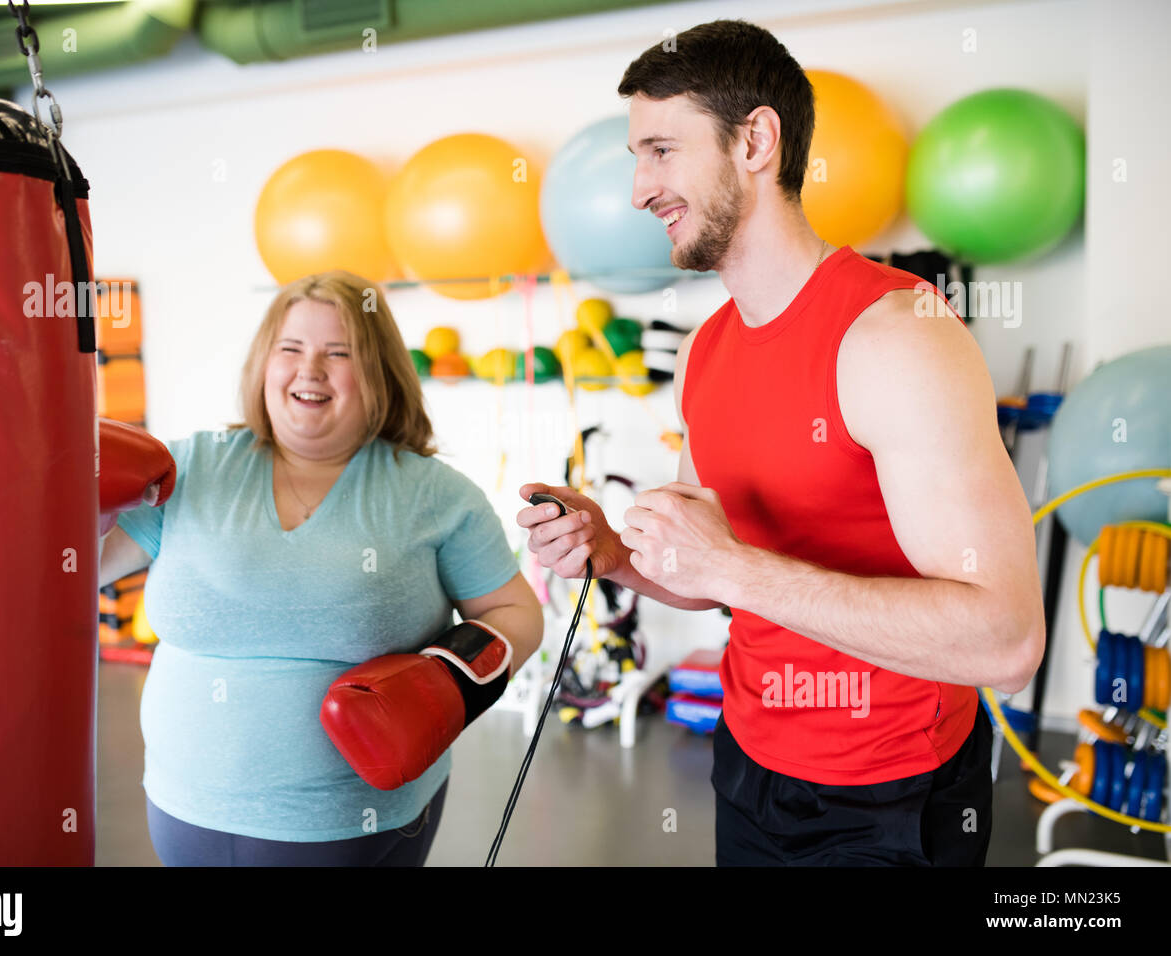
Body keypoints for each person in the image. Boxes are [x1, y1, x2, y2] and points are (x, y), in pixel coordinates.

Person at [518, 19, 1045, 866]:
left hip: (893, 799)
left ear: (756, 140)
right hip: (749, 769)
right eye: (635, 157)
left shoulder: (895, 335)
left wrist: (730, 569)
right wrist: (611, 551)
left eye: (660, 150)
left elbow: (1008, 642)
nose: (638, 189)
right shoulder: (708, 349)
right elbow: (712, 572)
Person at [99, 270, 542, 866]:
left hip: (355, 825)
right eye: (291, 349)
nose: (311, 370)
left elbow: (515, 611)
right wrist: (75, 504)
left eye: (340, 353)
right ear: (264, 363)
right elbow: (76, 576)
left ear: (379, 372)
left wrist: (448, 678)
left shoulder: (435, 495)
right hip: (183, 811)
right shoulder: (187, 468)